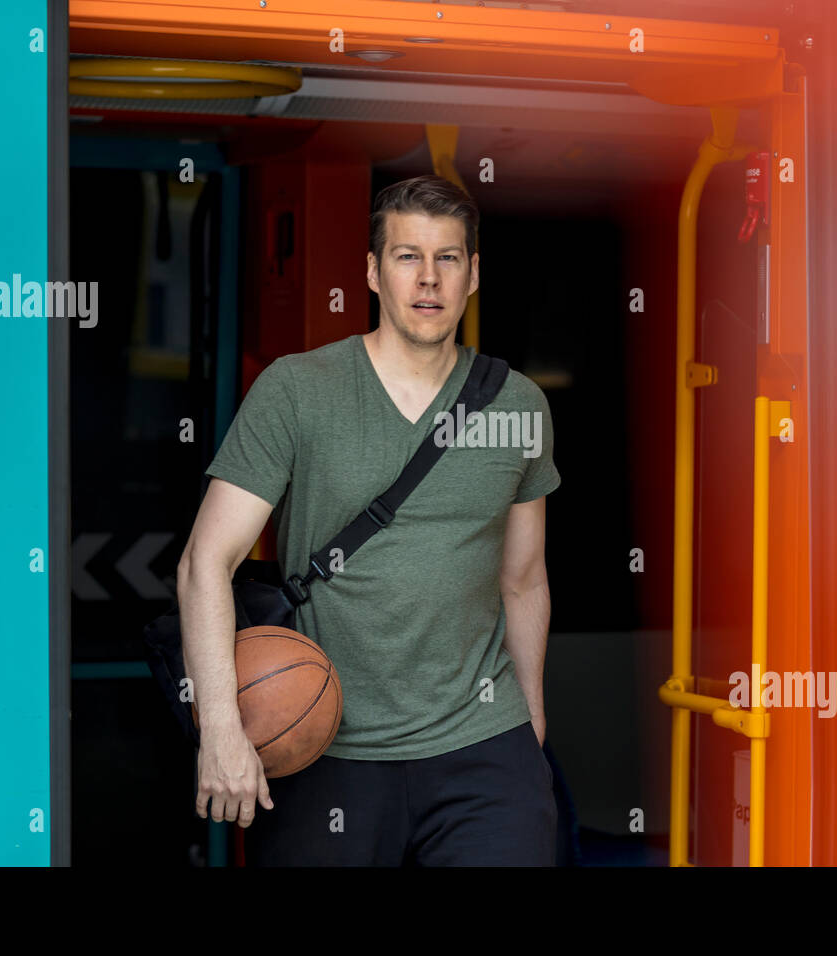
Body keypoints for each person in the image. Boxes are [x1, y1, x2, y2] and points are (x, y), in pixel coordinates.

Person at [175, 174, 561, 865]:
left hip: (482, 747)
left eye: (448, 258)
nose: (429, 278)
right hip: (324, 747)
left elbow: (524, 578)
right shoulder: (297, 391)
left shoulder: (518, 405)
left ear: (473, 275)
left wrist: (529, 716)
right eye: (407, 256)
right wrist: (223, 730)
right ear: (373, 273)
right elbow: (207, 562)